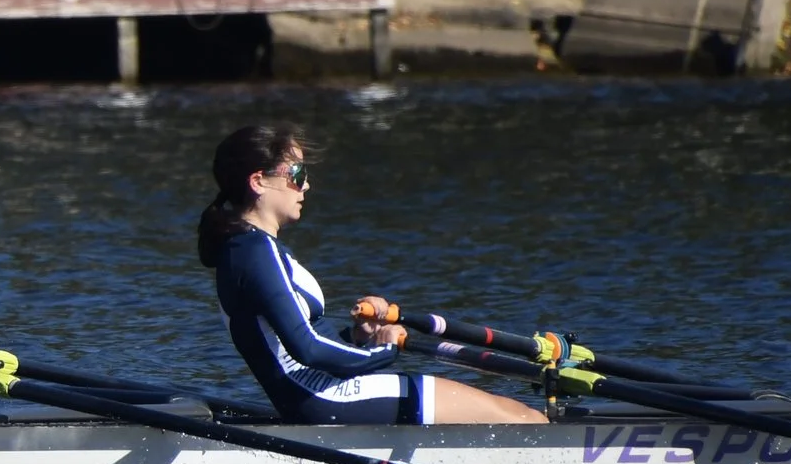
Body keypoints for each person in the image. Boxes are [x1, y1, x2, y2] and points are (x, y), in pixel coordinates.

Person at [197, 125, 543, 426]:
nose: (306, 186)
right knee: (522, 418)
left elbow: (297, 340)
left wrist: (357, 337)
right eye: (297, 174)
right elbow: (308, 350)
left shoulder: (247, 248)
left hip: (320, 393)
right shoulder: (255, 252)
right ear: (258, 181)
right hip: (327, 397)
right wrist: (383, 350)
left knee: (513, 412)